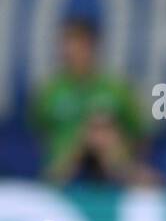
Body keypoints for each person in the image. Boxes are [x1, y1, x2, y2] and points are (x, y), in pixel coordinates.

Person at [30, 18, 158, 187]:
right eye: (65, 43)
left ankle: (128, 175)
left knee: (102, 132)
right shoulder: (49, 92)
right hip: (62, 173)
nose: (68, 51)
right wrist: (80, 142)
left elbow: (140, 134)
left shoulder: (117, 89)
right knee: (90, 133)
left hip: (112, 169)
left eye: (76, 43)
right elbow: (36, 138)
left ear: (91, 46)